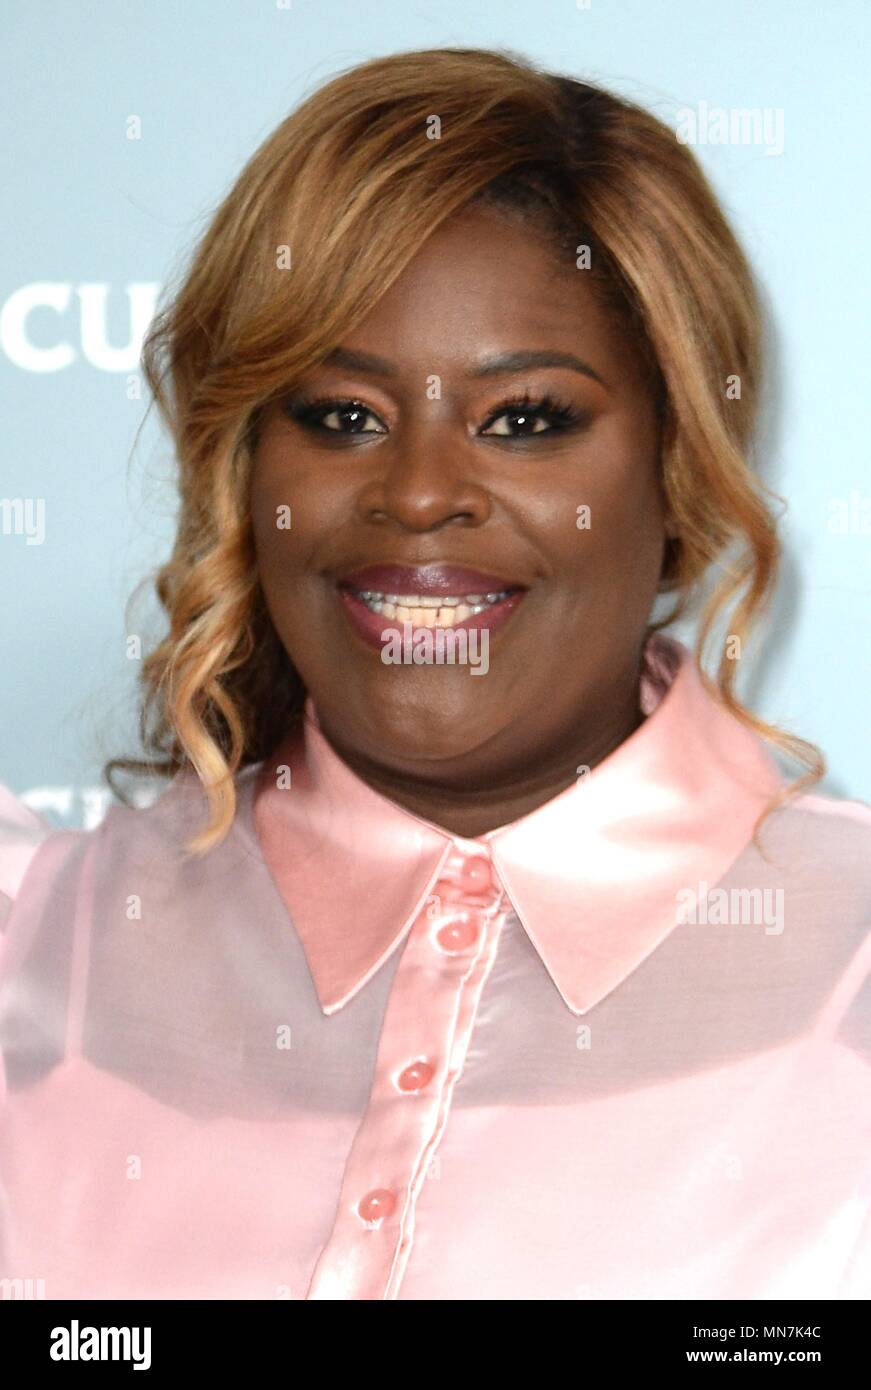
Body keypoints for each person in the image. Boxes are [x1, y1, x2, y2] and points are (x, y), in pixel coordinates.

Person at [1, 46, 869, 1302]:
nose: (415, 494)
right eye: (338, 415)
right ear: (248, 469)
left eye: (525, 419)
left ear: (678, 473)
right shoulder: (36, 937)